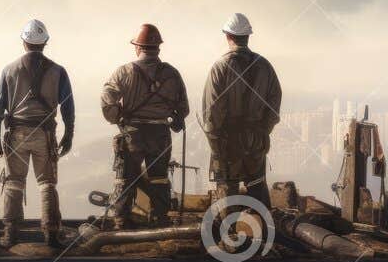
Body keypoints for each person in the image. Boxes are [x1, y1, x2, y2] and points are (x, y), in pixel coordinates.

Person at [0, 18, 73, 248]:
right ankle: (51, 233)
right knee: (47, 183)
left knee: (14, 182)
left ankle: (10, 234)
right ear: (45, 42)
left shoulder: (9, 70)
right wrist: (69, 134)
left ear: (24, 42)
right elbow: (68, 106)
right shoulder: (58, 71)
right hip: (45, 135)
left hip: (17, 134)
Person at [99, 24, 189, 228]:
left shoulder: (125, 72)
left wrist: (118, 117)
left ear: (138, 47)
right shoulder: (172, 74)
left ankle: (121, 220)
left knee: (126, 177)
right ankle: (161, 218)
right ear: (158, 48)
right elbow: (183, 108)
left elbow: (107, 99)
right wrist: (170, 115)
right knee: (159, 177)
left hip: (133, 134)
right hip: (160, 133)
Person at [201, 12, 282, 212]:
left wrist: (216, 146)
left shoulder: (220, 67)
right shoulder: (265, 66)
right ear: (248, 36)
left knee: (227, 190)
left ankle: (229, 229)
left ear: (228, 36)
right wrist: (261, 132)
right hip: (256, 140)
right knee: (257, 186)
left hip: (227, 141)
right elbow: (274, 106)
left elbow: (212, 113)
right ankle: (263, 226)